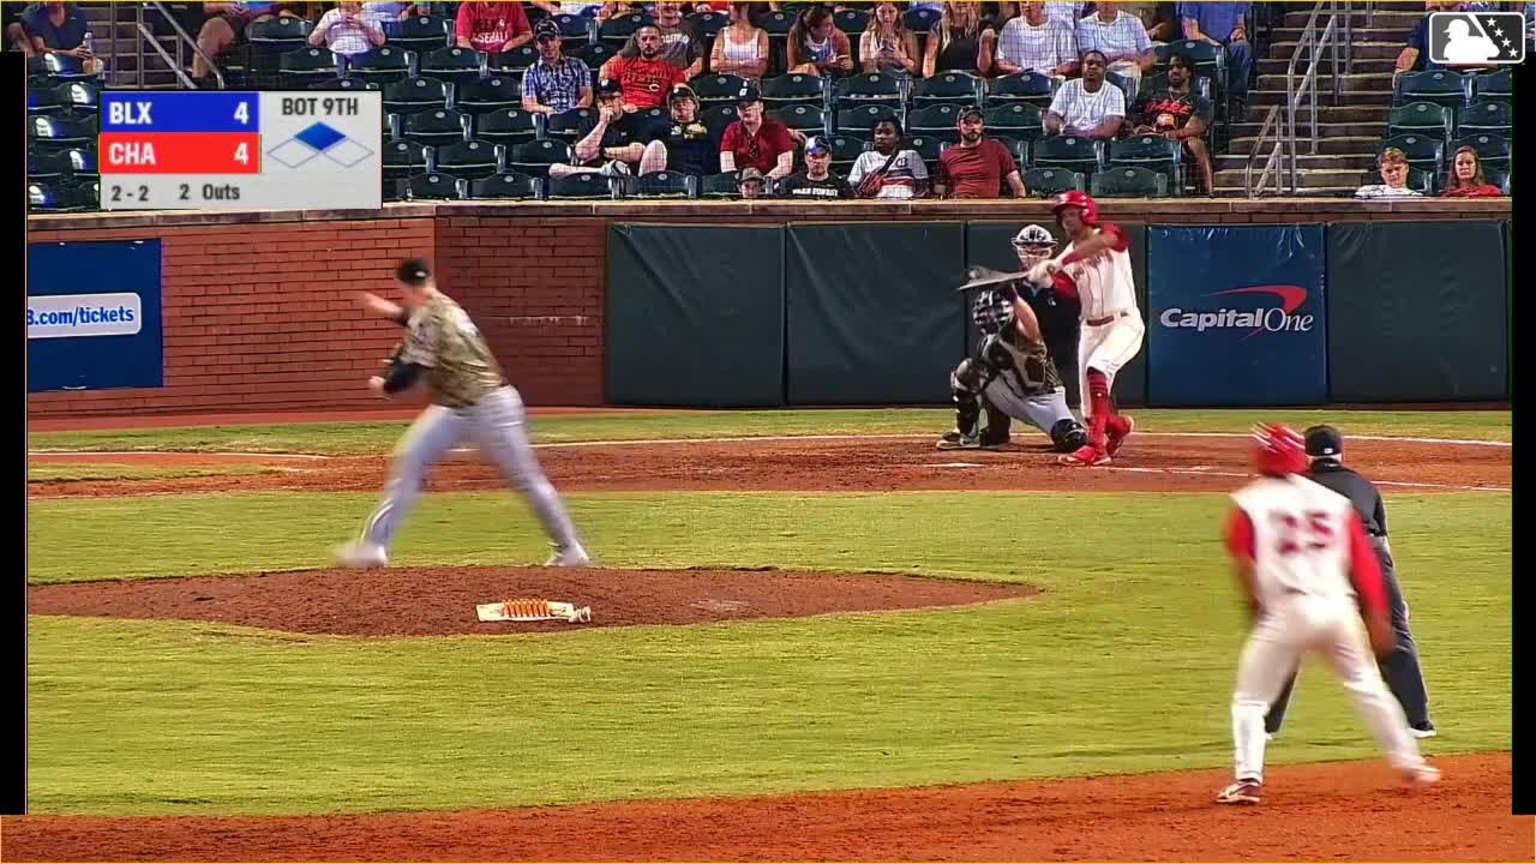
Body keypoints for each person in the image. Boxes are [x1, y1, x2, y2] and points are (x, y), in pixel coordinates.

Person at [1217, 423, 1439, 806]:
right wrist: (1378, 617)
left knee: (1250, 701)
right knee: (1366, 684)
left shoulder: (1250, 502)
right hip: (1336, 607)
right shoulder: (1332, 502)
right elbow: (1365, 564)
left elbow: (1244, 563)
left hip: (1287, 609)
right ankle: (1412, 763)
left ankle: (1248, 777)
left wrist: (1256, 606)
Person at [336, 259, 590, 570]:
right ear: (429, 279)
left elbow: (410, 373)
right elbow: (423, 325)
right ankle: (374, 547)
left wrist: (384, 386)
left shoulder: (426, 319)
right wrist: (393, 313)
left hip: (490, 408)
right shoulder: (445, 306)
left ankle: (569, 548)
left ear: (402, 286)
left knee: (525, 479)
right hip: (454, 408)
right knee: (411, 459)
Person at [1262, 425, 1439, 742]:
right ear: (1342, 450)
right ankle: (1418, 721)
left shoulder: (1296, 485)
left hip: (1317, 559)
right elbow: (1382, 540)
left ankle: (1265, 726)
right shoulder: (1363, 484)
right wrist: (1393, 598)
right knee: (1394, 632)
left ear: (1307, 452)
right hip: (1368, 556)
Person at [939, 225, 1090, 454]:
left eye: (1039, 249)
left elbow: (1033, 329)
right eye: (1026, 248)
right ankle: (974, 434)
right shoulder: (994, 336)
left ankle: (1089, 427)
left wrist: (1012, 295)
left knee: (1073, 439)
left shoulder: (1061, 286)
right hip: (1013, 387)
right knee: (975, 368)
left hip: (1051, 377)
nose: (1031, 254)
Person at [1024, 191, 1141, 466]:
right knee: (1089, 410)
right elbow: (1067, 291)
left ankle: (1097, 450)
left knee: (1098, 369)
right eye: (1063, 215)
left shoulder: (1109, 233)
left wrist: (1059, 263)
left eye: (1072, 213)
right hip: (1090, 328)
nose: (1067, 219)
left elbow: (1102, 243)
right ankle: (1118, 427)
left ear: (1087, 212)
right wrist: (1044, 277)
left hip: (1123, 322)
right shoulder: (1066, 257)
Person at [1128, 52, 1213, 194]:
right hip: (1146, 139)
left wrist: (1166, 135)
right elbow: (1130, 118)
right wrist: (1135, 128)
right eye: (1170, 68)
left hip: (1178, 142)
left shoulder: (1198, 100)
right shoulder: (1151, 95)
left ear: (1189, 72)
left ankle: (1208, 189)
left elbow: (1196, 128)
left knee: (1196, 143)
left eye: (1179, 67)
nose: (1174, 70)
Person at [550, 78, 668, 179]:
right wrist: (603, 123)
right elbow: (582, 153)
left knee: (656, 146)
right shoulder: (590, 121)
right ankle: (606, 171)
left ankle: (615, 172)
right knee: (555, 169)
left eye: (611, 98)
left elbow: (636, 152)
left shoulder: (635, 120)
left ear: (622, 99)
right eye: (602, 99)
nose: (607, 103)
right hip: (593, 173)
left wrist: (601, 152)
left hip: (626, 174)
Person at [935, 107, 1028, 198]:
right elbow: (940, 191)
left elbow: (1016, 184)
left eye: (977, 122)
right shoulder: (947, 155)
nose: (973, 127)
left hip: (989, 208)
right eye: (967, 123)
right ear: (958, 125)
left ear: (982, 125)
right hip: (958, 206)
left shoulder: (997, 148)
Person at [1177, 1, 1251, 106]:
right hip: (1200, 45)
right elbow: (1192, 33)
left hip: (1227, 45)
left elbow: (1239, 25)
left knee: (1242, 48)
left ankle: (1235, 101)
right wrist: (1217, 46)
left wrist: (1238, 33)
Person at [600, 24, 689, 110]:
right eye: (644, 39)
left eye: (653, 39)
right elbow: (606, 91)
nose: (648, 43)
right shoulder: (621, 64)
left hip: (655, 114)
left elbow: (681, 93)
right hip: (625, 110)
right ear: (638, 43)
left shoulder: (673, 70)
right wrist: (621, 105)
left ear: (661, 42)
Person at [1043, 49, 1126, 139]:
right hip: (1068, 139)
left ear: (1105, 70)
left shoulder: (1115, 92)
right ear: (1082, 67)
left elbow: (1110, 128)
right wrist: (1062, 128)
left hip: (1098, 143)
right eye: (1089, 63)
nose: (1093, 67)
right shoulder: (1067, 87)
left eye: (1099, 65)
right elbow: (1052, 116)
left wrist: (1083, 134)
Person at [719, 86, 797, 180]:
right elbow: (727, 166)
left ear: (761, 107)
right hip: (742, 185)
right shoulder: (731, 130)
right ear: (737, 111)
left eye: (750, 104)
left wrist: (763, 182)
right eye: (741, 106)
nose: (746, 109)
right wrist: (742, 183)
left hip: (772, 182)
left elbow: (785, 166)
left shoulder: (777, 129)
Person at [1075, 0, 1154, 89]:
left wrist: (1139, 67)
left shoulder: (1134, 22)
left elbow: (1150, 55)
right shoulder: (1084, 25)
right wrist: (1122, 55)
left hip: (1132, 71)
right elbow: (1089, 58)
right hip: (1102, 73)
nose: (1106, 3)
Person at [521, 18, 594, 116]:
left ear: (559, 40)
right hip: (548, 120)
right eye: (543, 40)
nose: (548, 44)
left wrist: (571, 114)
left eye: (552, 39)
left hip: (576, 118)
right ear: (536, 44)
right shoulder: (531, 72)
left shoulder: (579, 65)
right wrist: (549, 110)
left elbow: (587, 97)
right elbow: (529, 104)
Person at [992, 0, 1078, 78]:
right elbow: (1001, 61)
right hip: (1019, 79)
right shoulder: (1011, 26)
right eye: (1023, 2)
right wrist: (1018, 70)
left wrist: (1052, 72)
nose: (1028, 5)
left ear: (1042, 3)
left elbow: (1072, 62)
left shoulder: (1060, 26)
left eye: (1032, 1)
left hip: (1050, 80)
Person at [848, 117, 929, 199]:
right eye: (878, 132)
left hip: (905, 204)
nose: (881, 137)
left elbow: (922, 187)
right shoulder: (865, 157)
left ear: (897, 137)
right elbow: (852, 186)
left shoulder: (911, 156)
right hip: (874, 206)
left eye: (887, 133)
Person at [22, 2, 102, 74]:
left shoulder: (75, 12)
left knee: (93, 65)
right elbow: (40, 50)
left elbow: (84, 41)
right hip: (45, 63)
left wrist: (88, 57)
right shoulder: (33, 14)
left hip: (75, 59)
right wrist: (69, 53)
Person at [656, 83, 718, 176]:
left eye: (685, 101)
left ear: (694, 104)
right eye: (675, 103)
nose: (681, 105)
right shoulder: (662, 128)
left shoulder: (707, 126)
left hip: (702, 175)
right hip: (672, 176)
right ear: (671, 108)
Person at [923, 0, 995, 77]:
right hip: (945, 81)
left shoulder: (984, 27)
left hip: (974, 82)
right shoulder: (937, 28)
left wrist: (984, 43)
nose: (960, 2)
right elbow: (928, 66)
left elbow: (984, 68)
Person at [454, 0, 533, 66]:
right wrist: (476, 58)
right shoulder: (467, 7)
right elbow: (462, 40)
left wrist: (512, 43)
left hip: (505, 57)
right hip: (477, 57)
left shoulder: (514, 5)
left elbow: (527, 34)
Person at [775, 137, 854, 198]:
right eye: (814, 156)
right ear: (806, 158)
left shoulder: (842, 185)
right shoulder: (790, 183)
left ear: (830, 158)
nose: (818, 161)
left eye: (822, 156)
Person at [787, 4, 853, 76]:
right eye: (826, 25)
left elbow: (848, 66)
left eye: (832, 24)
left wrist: (847, 64)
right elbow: (792, 68)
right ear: (813, 29)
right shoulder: (797, 35)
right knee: (809, 68)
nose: (831, 28)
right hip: (805, 78)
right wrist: (824, 65)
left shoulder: (840, 36)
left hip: (832, 77)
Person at [710, 1, 769, 80]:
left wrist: (727, 65)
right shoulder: (723, 33)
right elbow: (714, 65)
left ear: (744, 8)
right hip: (726, 84)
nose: (728, 8)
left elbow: (760, 69)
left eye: (731, 5)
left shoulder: (761, 34)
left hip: (750, 85)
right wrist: (744, 63)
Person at [308, 1, 387, 56]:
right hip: (335, 53)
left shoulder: (370, 15)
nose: (348, 11)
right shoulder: (330, 15)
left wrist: (363, 25)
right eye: (345, 7)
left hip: (363, 54)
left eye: (352, 6)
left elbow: (380, 42)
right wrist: (332, 23)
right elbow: (313, 41)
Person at [860, 1, 919, 74]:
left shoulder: (908, 35)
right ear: (876, 13)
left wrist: (900, 58)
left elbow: (916, 70)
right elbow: (865, 69)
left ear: (897, 12)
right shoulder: (867, 36)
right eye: (882, 12)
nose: (886, 16)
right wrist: (876, 58)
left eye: (891, 11)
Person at [650, 0, 705, 77]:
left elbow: (698, 61)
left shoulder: (691, 29)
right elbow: (630, 59)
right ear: (657, 3)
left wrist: (685, 75)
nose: (671, 5)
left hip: (682, 78)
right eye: (666, 2)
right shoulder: (646, 29)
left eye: (675, 2)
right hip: (653, 78)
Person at [1355, 147, 1425, 199]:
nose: (1394, 174)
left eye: (1397, 169)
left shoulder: (1416, 197)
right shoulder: (1367, 192)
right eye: (1388, 171)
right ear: (1381, 173)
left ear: (1406, 168)